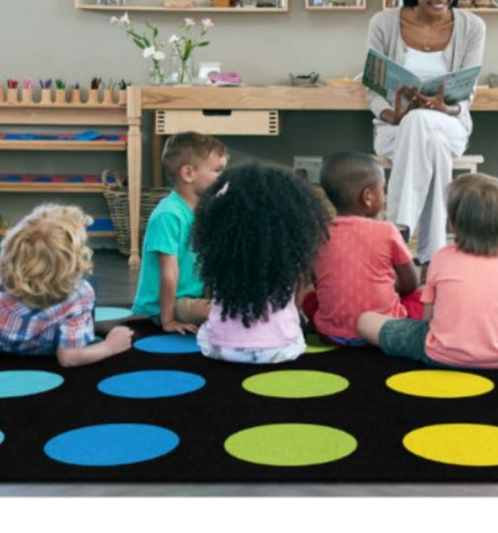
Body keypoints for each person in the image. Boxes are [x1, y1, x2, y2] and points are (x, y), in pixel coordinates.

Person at [357, 173, 498, 368]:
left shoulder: (441, 257)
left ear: (455, 224)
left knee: (365, 320)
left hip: (439, 352)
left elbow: (428, 319)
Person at [365, 0, 486, 269]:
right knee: (427, 138)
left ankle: (397, 236)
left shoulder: (472, 26)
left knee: (424, 125)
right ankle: (431, 256)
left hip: (450, 124)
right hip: (395, 129)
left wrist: (445, 108)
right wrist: (395, 113)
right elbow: (373, 89)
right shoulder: (383, 23)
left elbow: (467, 91)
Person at [0, 203, 134, 367]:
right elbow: (69, 358)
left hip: (0, 349)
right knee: (91, 283)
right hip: (48, 354)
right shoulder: (79, 294)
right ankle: (84, 335)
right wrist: (110, 346)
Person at [192, 162, 330, 364]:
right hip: (279, 350)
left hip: (222, 348)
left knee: (208, 327)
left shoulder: (222, 255)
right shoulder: (287, 258)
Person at [303, 152, 421, 346]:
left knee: (310, 298)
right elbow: (411, 284)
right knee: (421, 296)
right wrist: (388, 287)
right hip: (384, 331)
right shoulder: (387, 231)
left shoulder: (317, 233)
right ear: (367, 196)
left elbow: (319, 283)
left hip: (330, 333)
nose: (384, 195)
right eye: (383, 189)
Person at [131, 132, 228, 333]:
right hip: (171, 303)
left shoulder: (205, 209)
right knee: (229, 312)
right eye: (218, 171)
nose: (224, 177)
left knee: (245, 303)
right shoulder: (168, 215)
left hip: (195, 294)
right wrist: (168, 320)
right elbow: (169, 272)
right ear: (188, 174)